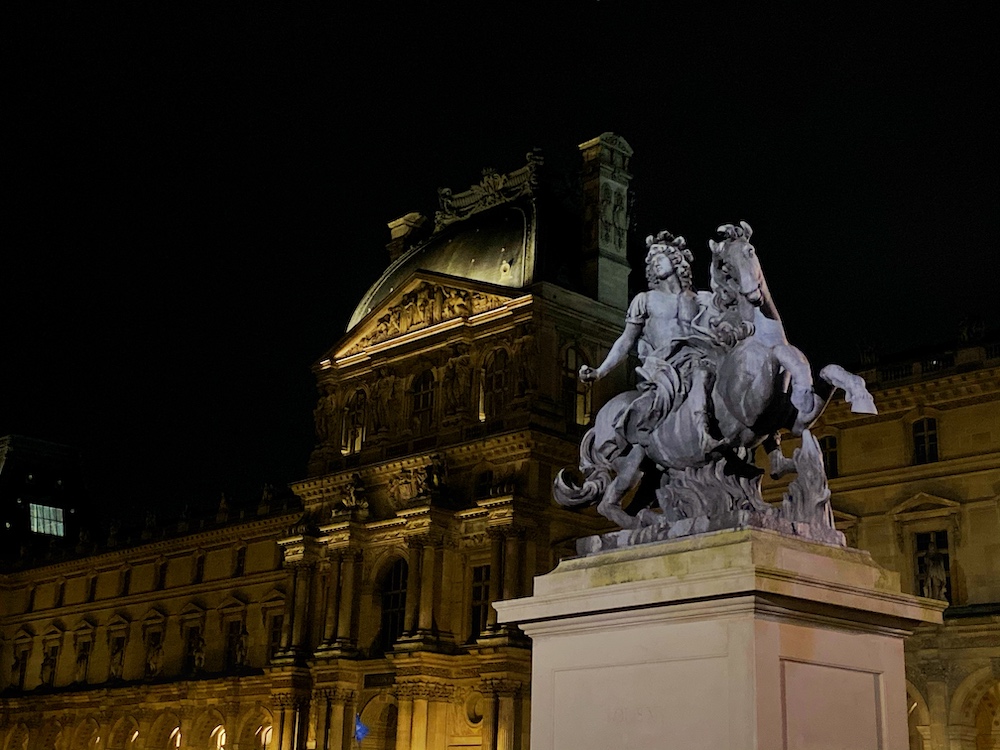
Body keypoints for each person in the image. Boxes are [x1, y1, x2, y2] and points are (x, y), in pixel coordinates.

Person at [577, 232, 718, 527]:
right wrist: (600, 371)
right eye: (651, 263)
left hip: (698, 363)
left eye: (659, 259)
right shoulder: (645, 300)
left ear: (677, 261)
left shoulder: (702, 299)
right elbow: (625, 341)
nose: (654, 266)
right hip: (663, 370)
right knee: (648, 419)